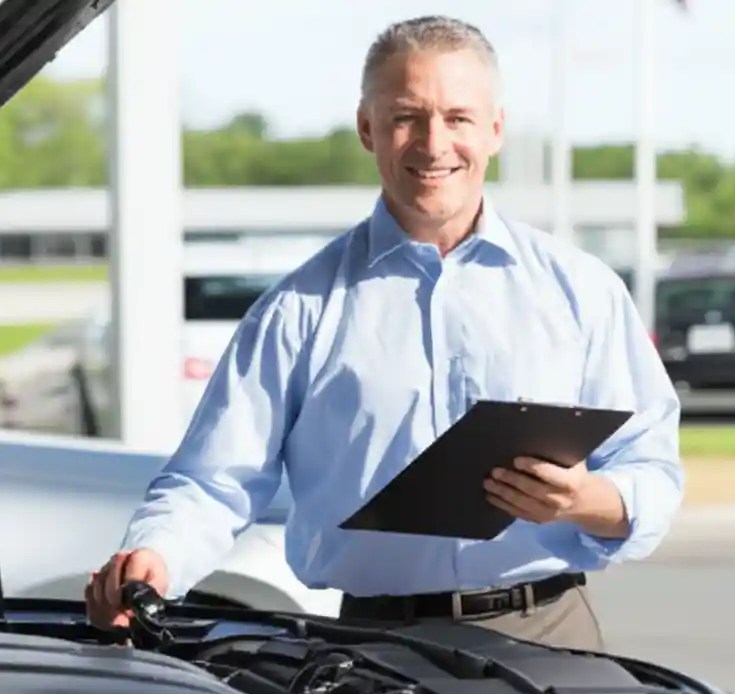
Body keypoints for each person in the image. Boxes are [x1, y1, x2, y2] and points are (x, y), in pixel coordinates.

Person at [84, 15, 684, 652]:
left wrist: (588, 498)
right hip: (373, 646)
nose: (433, 143)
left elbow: (652, 469)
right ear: (367, 128)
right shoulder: (298, 309)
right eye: (406, 117)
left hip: (549, 634)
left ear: (496, 130)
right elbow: (212, 482)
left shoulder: (582, 292)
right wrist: (154, 555)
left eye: (458, 117)